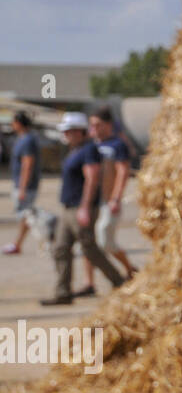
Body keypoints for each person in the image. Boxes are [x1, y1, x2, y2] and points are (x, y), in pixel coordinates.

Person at [41, 111, 124, 307]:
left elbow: (92, 178)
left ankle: (119, 282)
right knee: (60, 248)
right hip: (68, 208)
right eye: (66, 131)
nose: (66, 134)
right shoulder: (74, 150)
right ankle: (63, 293)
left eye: (70, 131)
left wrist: (85, 207)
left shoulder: (88, 150)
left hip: (80, 208)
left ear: (80, 132)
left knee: (90, 249)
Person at [81, 105, 137, 290]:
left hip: (107, 200)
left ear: (108, 125)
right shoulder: (90, 146)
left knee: (105, 240)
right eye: (92, 125)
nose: (94, 129)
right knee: (87, 241)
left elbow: (123, 172)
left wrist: (116, 198)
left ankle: (129, 268)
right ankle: (89, 282)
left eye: (98, 125)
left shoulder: (117, 145)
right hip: (91, 201)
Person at [3, 110, 44, 255]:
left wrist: (22, 187)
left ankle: (46, 239)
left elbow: (28, 164)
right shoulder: (23, 138)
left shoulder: (27, 140)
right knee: (27, 216)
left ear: (19, 123)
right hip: (22, 184)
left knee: (28, 216)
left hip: (26, 186)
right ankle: (18, 243)